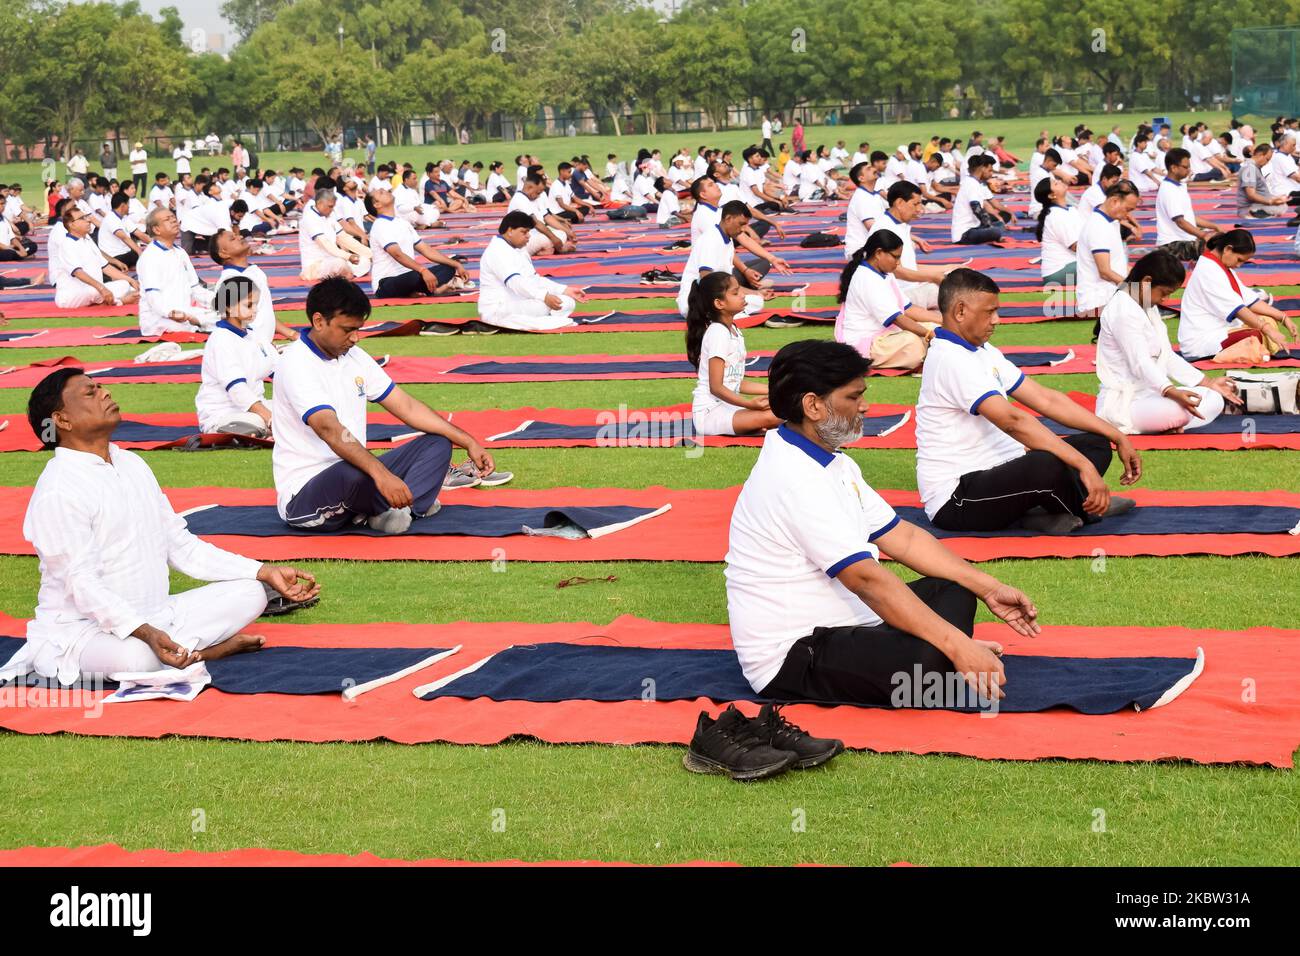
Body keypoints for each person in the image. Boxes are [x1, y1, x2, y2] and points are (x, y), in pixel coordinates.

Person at [724, 337, 1039, 708]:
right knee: (923, 666)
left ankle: (936, 653)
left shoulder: (832, 461)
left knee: (954, 590)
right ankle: (938, 657)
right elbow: (866, 580)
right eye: (854, 397)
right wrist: (957, 644)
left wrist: (989, 587)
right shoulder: (793, 478)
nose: (866, 406)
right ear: (813, 406)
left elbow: (901, 537)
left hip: (852, 625)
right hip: (796, 654)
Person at [0, 368, 319, 684]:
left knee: (252, 593)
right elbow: (81, 584)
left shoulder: (131, 463)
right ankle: (206, 652)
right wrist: (146, 632)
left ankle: (178, 651)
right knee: (135, 658)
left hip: (158, 615)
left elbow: (181, 547)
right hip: (82, 630)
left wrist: (262, 570)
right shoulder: (59, 489)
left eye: (100, 387)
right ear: (63, 420)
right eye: (91, 392)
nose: (105, 393)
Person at [916, 268, 1142, 534]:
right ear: (960, 311)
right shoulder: (950, 359)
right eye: (989, 312)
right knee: (1046, 464)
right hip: (958, 499)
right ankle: (1084, 505)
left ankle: (1044, 509)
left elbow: (1046, 400)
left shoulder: (982, 351)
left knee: (1095, 443)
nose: (996, 320)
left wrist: (1116, 435)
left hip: (999, 471)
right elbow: (1013, 421)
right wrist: (1083, 465)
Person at [271, 279, 505, 534]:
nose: (355, 338)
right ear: (318, 321)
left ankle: (393, 510)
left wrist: (468, 441)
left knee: (436, 443)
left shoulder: (355, 358)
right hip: (307, 493)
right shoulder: (295, 363)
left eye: (358, 329)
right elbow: (329, 429)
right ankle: (391, 506)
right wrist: (381, 475)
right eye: (347, 329)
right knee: (354, 473)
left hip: (356, 469)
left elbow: (406, 406)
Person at [1096, 250, 1242, 434]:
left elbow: (1167, 356)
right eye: (1164, 293)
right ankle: (1175, 422)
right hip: (1127, 402)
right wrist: (1171, 392)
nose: (1165, 299)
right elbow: (1140, 363)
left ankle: (1175, 426)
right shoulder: (1123, 310)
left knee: (1214, 398)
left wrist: (1208, 382)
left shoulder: (1146, 304)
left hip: (1153, 394)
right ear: (1146, 282)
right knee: (1178, 410)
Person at [1178, 229, 1297, 363]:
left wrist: (1283, 317)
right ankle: (1250, 351)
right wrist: (1267, 329)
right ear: (1228, 249)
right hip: (1202, 343)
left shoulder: (1220, 267)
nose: (1239, 265)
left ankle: (1254, 350)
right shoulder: (1208, 271)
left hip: (1221, 332)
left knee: (1267, 320)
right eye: (1239, 259)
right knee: (1256, 334)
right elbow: (1239, 309)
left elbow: (1251, 302)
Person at [686, 271, 780, 436]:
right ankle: (753, 426)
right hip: (710, 413)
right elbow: (716, 387)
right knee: (783, 414)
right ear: (719, 303)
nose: (743, 295)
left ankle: (752, 426)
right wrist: (750, 405)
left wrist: (774, 390)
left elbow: (736, 382)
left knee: (788, 405)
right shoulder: (717, 333)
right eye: (735, 292)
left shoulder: (734, 331)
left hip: (729, 407)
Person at [835, 229, 941, 370]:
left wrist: (942, 321)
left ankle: (928, 353)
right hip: (867, 343)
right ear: (879, 253)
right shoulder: (866, 278)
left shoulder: (885, 273)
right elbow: (898, 318)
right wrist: (927, 334)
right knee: (912, 342)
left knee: (938, 329)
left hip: (887, 335)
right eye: (895, 257)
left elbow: (908, 308)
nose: (898, 263)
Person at [476, 211, 586, 332]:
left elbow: (534, 279)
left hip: (519, 301)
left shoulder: (520, 250)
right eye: (524, 232)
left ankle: (543, 316)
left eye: (529, 231)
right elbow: (515, 283)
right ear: (510, 231)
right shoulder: (497, 250)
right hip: (498, 309)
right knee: (545, 306)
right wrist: (544, 297)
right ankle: (542, 316)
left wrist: (565, 290)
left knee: (567, 302)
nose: (528, 236)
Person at [197, 276, 278, 438]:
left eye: (255, 304)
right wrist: (269, 417)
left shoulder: (254, 336)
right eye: (248, 305)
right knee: (257, 422)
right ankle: (238, 432)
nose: (254, 310)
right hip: (222, 413)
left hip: (254, 407)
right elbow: (237, 390)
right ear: (229, 307)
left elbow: (279, 370)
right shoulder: (221, 340)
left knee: (298, 411)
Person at [366, 188, 471, 299]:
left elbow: (425, 249)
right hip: (386, 282)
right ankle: (431, 290)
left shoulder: (402, 222)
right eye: (381, 192)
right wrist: (423, 270)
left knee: (448, 268)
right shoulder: (380, 225)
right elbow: (397, 254)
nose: (385, 190)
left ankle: (418, 291)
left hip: (411, 276)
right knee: (414, 276)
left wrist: (456, 265)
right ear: (377, 204)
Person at [676, 200, 771, 318]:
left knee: (757, 301)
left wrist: (756, 293)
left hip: (718, 294)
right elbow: (706, 279)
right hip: (697, 300)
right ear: (728, 219)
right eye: (741, 224)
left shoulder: (728, 239)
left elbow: (726, 282)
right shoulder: (710, 239)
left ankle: (729, 311)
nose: (743, 229)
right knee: (745, 302)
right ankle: (723, 313)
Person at [867, 181, 950, 310]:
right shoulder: (885, 229)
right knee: (960, 289)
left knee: (960, 274)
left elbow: (910, 267)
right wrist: (934, 277)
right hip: (900, 295)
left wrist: (948, 268)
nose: (919, 209)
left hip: (910, 289)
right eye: (915, 204)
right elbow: (897, 271)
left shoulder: (899, 225)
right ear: (899, 203)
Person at [137, 207, 217, 335]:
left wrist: (220, 302)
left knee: (230, 314)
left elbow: (195, 289)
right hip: (160, 318)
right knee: (218, 321)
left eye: (174, 218)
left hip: (184, 312)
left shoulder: (180, 252)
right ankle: (199, 323)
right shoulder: (150, 256)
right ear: (156, 229)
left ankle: (200, 321)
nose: (174, 221)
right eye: (168, 219)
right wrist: (169, 312)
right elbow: (153, 296)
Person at [211, 228, 299, 343]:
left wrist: (292, 334)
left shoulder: (254, 270)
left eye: (237, 235)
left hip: (262, 344)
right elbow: (232, 323)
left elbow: (264, 311)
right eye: (233, 239)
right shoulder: (229, 280)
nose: (240, 237)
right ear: (223, 253)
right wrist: (257, 347)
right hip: (249, 347)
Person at [1075, 180, 1141, 316]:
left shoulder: (1111, 222)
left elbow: (1118, 265)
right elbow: (1105, 272)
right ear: (1114, 201)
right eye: (1128, 209)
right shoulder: (1098, 226)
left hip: (1110, 295)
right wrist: (1135, 291)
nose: (1128, 215)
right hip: (1098, 300)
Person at [53, 204, 139, 309]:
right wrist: (102, 288)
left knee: (124, 284)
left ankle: (133, 295)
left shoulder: (87, 239)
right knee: (95, 291)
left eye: (86, 217)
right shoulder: (67, 244)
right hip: (71, 295)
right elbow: (78, 272)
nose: (88, 220)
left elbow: (105, 267)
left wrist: (130, 280)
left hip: (92, 288)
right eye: (82, 218)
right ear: (72, 224)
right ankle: (121, 301)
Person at [1156, 147, 1222, 260]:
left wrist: (1215, 226)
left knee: (1222, 238)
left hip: (1185, 238)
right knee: (1219, 247)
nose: (1189, 170)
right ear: (1173, 168)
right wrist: (1204, 235)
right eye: (1185, 167)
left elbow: (1189, 218)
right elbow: (1180, 222)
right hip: (1173, 244)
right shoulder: (1168, 190)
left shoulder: (1180, 186)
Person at [299, 187, 369, 282]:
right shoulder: (309, 219)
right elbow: (326, 244)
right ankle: (347, 274)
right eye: (330, 206)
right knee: (340, 263)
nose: (332, 210)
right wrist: (348, 256)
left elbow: (343, 238)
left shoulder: (330, 215)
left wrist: (369, 253)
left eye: (333, 207)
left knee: (364, 261)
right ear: (319, 203)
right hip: (315, 265)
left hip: (332, 260)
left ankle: (346, 274)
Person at [1035, 176, 1081, 289]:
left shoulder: (1071, 209)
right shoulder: (1055, 216)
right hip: (1058, 272)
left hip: (1073, 264)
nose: (1060, 181)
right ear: (1052, 195)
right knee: (1103, 266)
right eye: (1056, 184)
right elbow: (1076, 246)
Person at [951, 155, 1008, 244]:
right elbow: (976, 208)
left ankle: (992, 234)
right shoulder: (971, 184)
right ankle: (994, 235)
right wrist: (989, 227)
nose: (991, 173)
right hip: (965, 234)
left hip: (974, 227)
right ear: (982, 168)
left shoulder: (973, 182)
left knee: (1000, 225)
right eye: (989, 170)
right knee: (996, 231)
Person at [843, 162, 887, 258]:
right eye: (869, 168)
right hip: (860, 250)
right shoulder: (860, 197)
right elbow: (872, 227)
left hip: (873, 246)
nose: (874, 169)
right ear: (861, 178)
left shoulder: (875, 195)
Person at [1236, 141, 1290, 219]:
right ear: (1260, 155)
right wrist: (1270, 201)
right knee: (1281, 207)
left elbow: (1259, 191)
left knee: (1282, 206)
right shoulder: (1249, 169)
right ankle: (1254, 212)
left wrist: (1275, 199)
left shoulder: (1253, 167)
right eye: (1267, 159)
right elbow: (1251, 195)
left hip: (1257, 204)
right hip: (1250, 207)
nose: (1267, 163)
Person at [97, 190, 147, 269]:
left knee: (148, 250)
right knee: (146, 254)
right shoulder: (110, 218)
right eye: (128, 204)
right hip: (114, 256)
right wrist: (140, 252)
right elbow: (124, 238)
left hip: (125, 252)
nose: (129, 207)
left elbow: (139, 234)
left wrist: (155, 243)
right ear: (123, 205)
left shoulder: (123, 217)